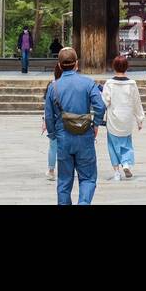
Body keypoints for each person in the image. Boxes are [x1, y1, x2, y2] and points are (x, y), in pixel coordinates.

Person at [43, 47, 106, 205]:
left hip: (63, 137)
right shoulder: (87, 83)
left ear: (59, 65)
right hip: (85, 135)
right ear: (76, 64)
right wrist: (96, 123)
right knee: (88, 178)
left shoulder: (53, 87)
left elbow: (49, 116)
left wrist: (52, 135)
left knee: (64, 181)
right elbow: (100, 106)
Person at [101, 55, 144, 181]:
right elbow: (137, 102)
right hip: (126, 119)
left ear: (113, 67)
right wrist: (139, 119)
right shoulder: (132, 84)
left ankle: (116, 172)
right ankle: (126, 163)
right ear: (127, 67)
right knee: (126, 143)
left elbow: (105, 101)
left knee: (112, 145)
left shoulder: (109, 84)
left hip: (113, 119)